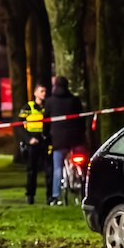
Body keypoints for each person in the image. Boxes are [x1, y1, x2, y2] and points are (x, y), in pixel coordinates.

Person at [46, 75, 85, 205]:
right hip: (76, 139)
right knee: (81, 163)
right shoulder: (74, 100)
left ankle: (56, 196)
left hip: (59, 140)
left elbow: (46, 121)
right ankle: (84, 188)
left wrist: (45, 134)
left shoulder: (50, 101)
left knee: (58, 167)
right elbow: (81, 119)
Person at [17, 84, 51, 205]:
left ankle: (50, 197)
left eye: (45, 91)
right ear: (35, 93)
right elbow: (19, 126)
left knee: (49, 170)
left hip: (44, 140)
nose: (44, 94)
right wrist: (28, 139)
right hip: (33, 141)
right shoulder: (28, 107)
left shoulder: (47, 107)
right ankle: (30, 196)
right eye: (41, 91)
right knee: (32, 171)